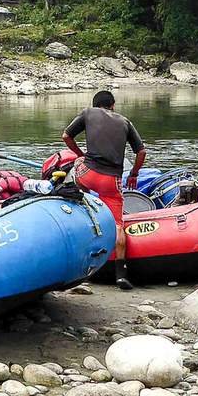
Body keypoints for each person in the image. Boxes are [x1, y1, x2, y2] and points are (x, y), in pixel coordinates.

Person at [62, 90, 147, 290]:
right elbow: (141, 151)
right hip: (112, 180)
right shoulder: (125, 122)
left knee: (77, 164)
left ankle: (78, 203)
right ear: (113, 105)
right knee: (118, 225)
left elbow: (66, 136)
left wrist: (81, 154)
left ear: (95, 104)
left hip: (88, 174)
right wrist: (134, 173)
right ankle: (120, 274)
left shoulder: (87, 113)